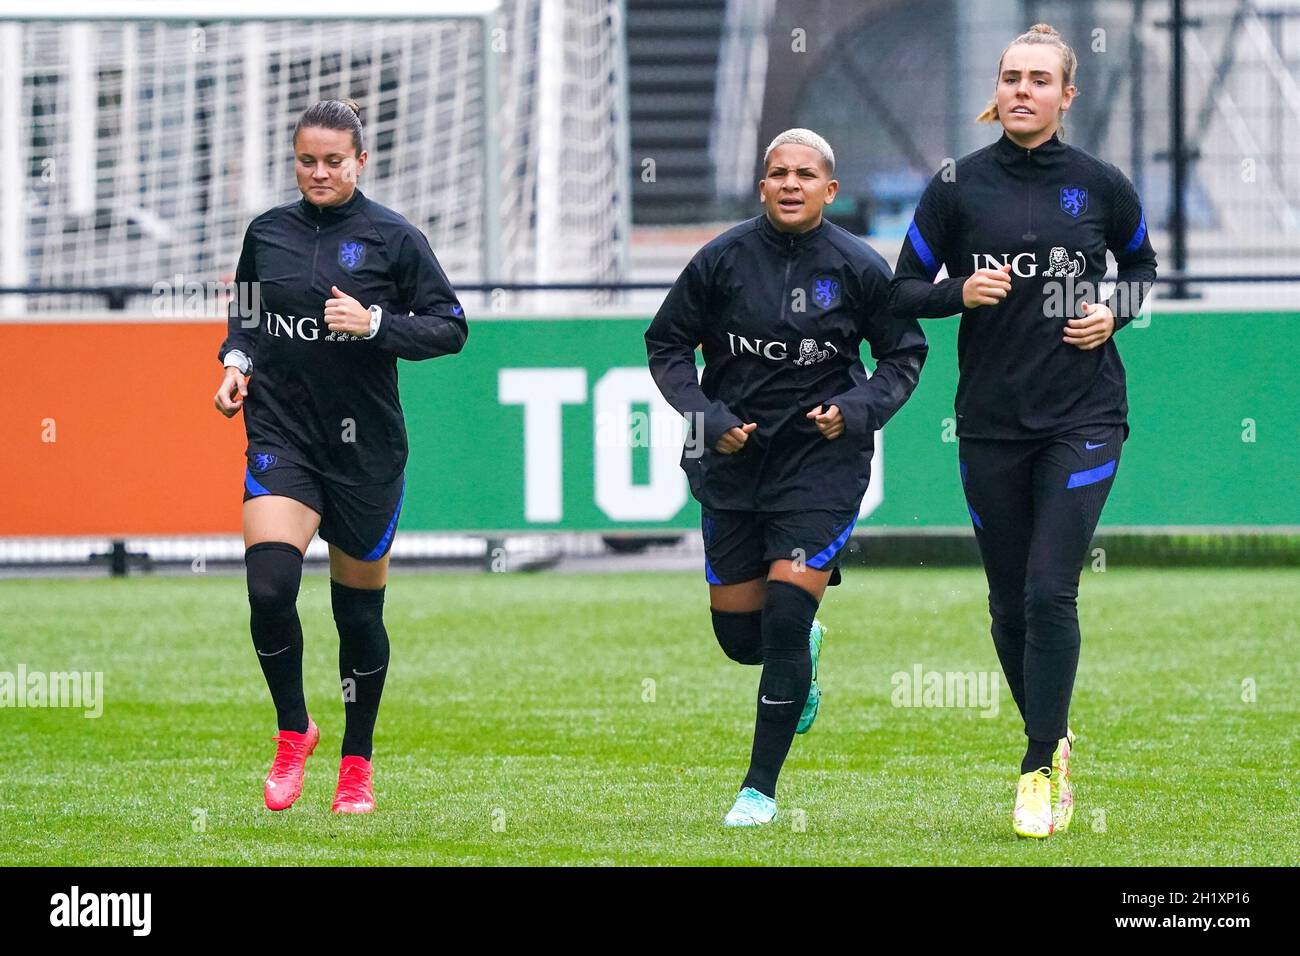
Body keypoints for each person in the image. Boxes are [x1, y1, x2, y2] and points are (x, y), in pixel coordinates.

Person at [890, 24, 1157, 837]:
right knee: (1008, 605)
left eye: (1039, 80)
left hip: (1084, 417)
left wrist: (1115, 311)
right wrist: (958, 293)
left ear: (1066, 95)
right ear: (997, 91)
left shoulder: (1101, 184)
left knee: (1050, 590)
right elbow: (901, 289)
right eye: (1011, 78)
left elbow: (1145, 272)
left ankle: (1038, 766)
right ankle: (1057, 734)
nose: (1021, 90)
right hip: (990, 424)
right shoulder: (956, 187)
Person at [646, 128, 928, 827]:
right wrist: (708, 419)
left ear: (830, 190)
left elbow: (903, 355)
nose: (791, 184)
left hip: (820, 466)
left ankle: (758, 791)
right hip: (733, 465)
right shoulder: (719, 260)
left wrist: (857, 410)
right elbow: (667, 344)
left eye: (806, 174)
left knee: (786, 609)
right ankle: (800, 648)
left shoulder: (861, 267)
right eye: (779, 174)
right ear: (762, 185)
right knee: (743, 641)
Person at [214, 98, 468, 813]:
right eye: (306, 160)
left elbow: (450, 328)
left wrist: (376, 322)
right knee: (268, 587)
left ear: (361, 160)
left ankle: (357, 761)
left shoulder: (393, 238)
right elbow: (248, 313)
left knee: (357, 615)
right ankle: (294, 730)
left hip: (366, 449)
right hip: (283, 435)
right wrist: (235, 361)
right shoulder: (268, 233)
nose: (319, 172)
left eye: (333, 161)